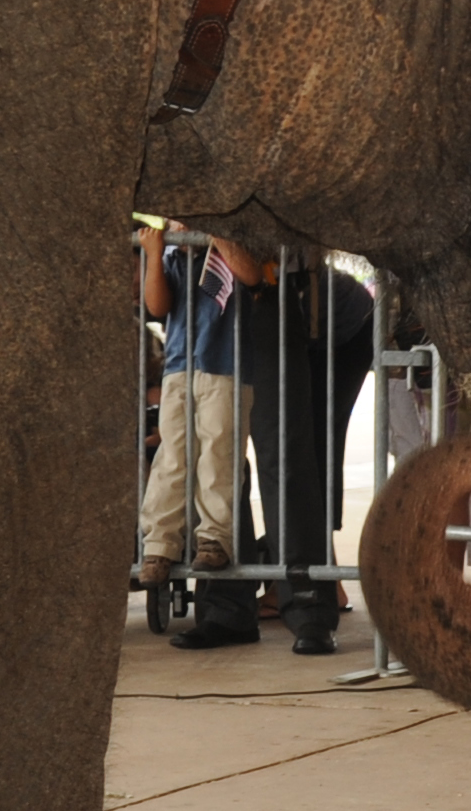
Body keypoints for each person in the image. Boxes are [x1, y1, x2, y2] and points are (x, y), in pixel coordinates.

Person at [238, 238, 374, 655]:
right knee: (304, 448)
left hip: (341, 334)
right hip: (310, 333)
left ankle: (322, 583)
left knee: (313, 447)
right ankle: (318, 577)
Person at [135, 226, 259, 591]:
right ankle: (159, 544)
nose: (181, 227)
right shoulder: (174, 258)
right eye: (175, 221)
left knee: (219, 454)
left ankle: (215, 539)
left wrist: (215, 234)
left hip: (227, 367)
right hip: (178, 366)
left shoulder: (230, 248)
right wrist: (154, 255)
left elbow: (251, 276)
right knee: (171, 456)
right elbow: (157, 305)